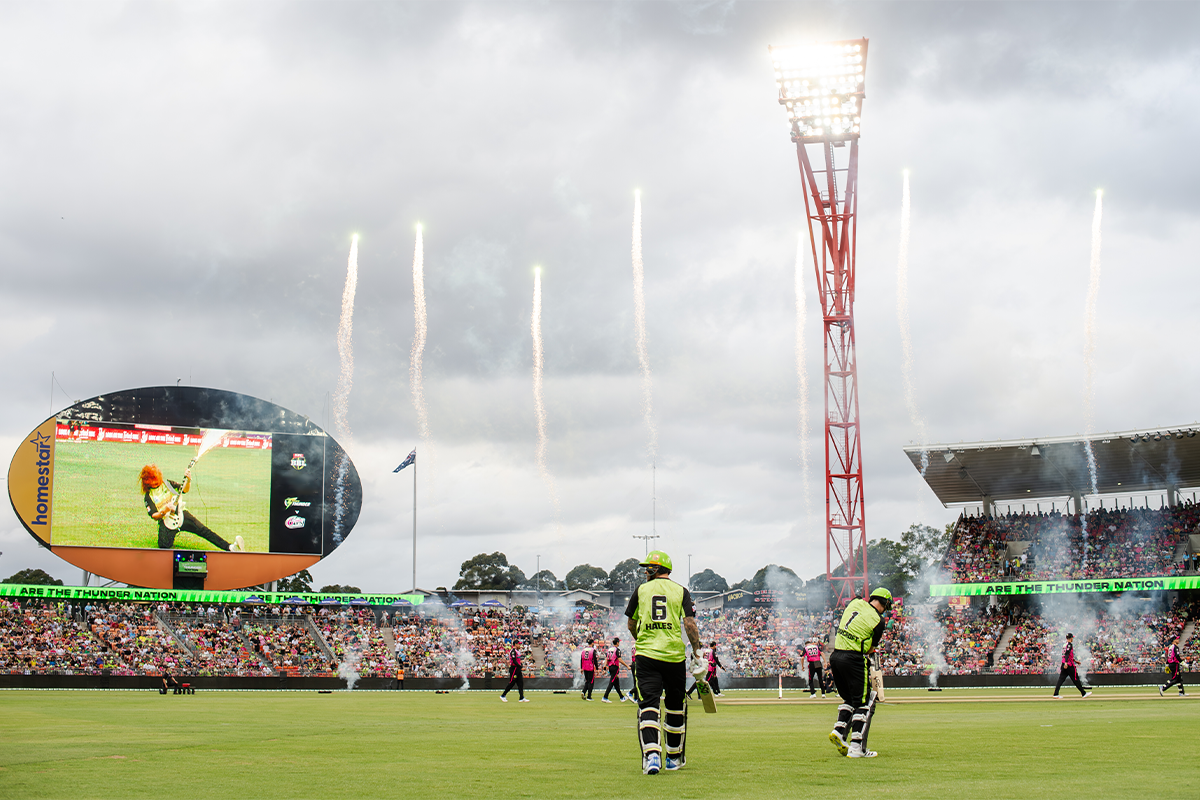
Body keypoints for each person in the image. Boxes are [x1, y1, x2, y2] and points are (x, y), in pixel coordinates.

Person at [625, 550, 704, 775]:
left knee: (648, 705)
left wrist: (642, 640)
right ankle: (673, 757)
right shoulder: (681, 591)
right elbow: (689, 625)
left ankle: (651, 756)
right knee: (675, 707)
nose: (646, 572)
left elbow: (631, 623)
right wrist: (697, 651)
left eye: (649, 568)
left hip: (647, 656)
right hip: (674, 657)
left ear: (658, 569)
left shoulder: (641, 590)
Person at [828, 587, 892, 759]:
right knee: (865, 702)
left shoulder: (855, 602)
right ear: (885, 603)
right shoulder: (878, 620)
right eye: (886, 606)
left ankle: (839, 731)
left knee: (850, 698)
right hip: (854, 659)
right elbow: (871, 648)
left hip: (835, 656)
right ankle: (857, 747)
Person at [140, 465, 245, 552]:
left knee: (203, 530)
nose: (155, 482)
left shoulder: (167, 484)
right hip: (166, 521)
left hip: (182, 514)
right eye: (152, 480)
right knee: (164, 546)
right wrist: (165, 511)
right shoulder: (148, 496)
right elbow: (154, 516)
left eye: (156, 479)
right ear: (146, 481)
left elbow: (184, 490)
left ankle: (230, 547)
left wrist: (188, 480)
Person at [1052, 633, 1091, 699]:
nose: (1073, 639)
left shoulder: (1064, 645)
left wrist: (1075, 661)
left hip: (1064, 663)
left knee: (1061, 679)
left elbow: (1067, 655)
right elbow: (1067, 654)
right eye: (1072, 637)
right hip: (1069, 665)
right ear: (1070, 638)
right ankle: (1083, 693)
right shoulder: (1069, 645)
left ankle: (1056, 694)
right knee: (1076, 679)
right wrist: (1067, 663)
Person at [601, 637, 629, 703]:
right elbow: (620, 660)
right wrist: (627, 666)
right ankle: (605, 697)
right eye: (619, 642)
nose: (619, 643)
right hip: (615, 667)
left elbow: (606, 659)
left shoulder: (609, 649)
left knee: (616, 683)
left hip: (610, 667)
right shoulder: (617, 650)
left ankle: (622, 697)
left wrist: (604, 668)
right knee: (612, 682)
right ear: (617, 643)